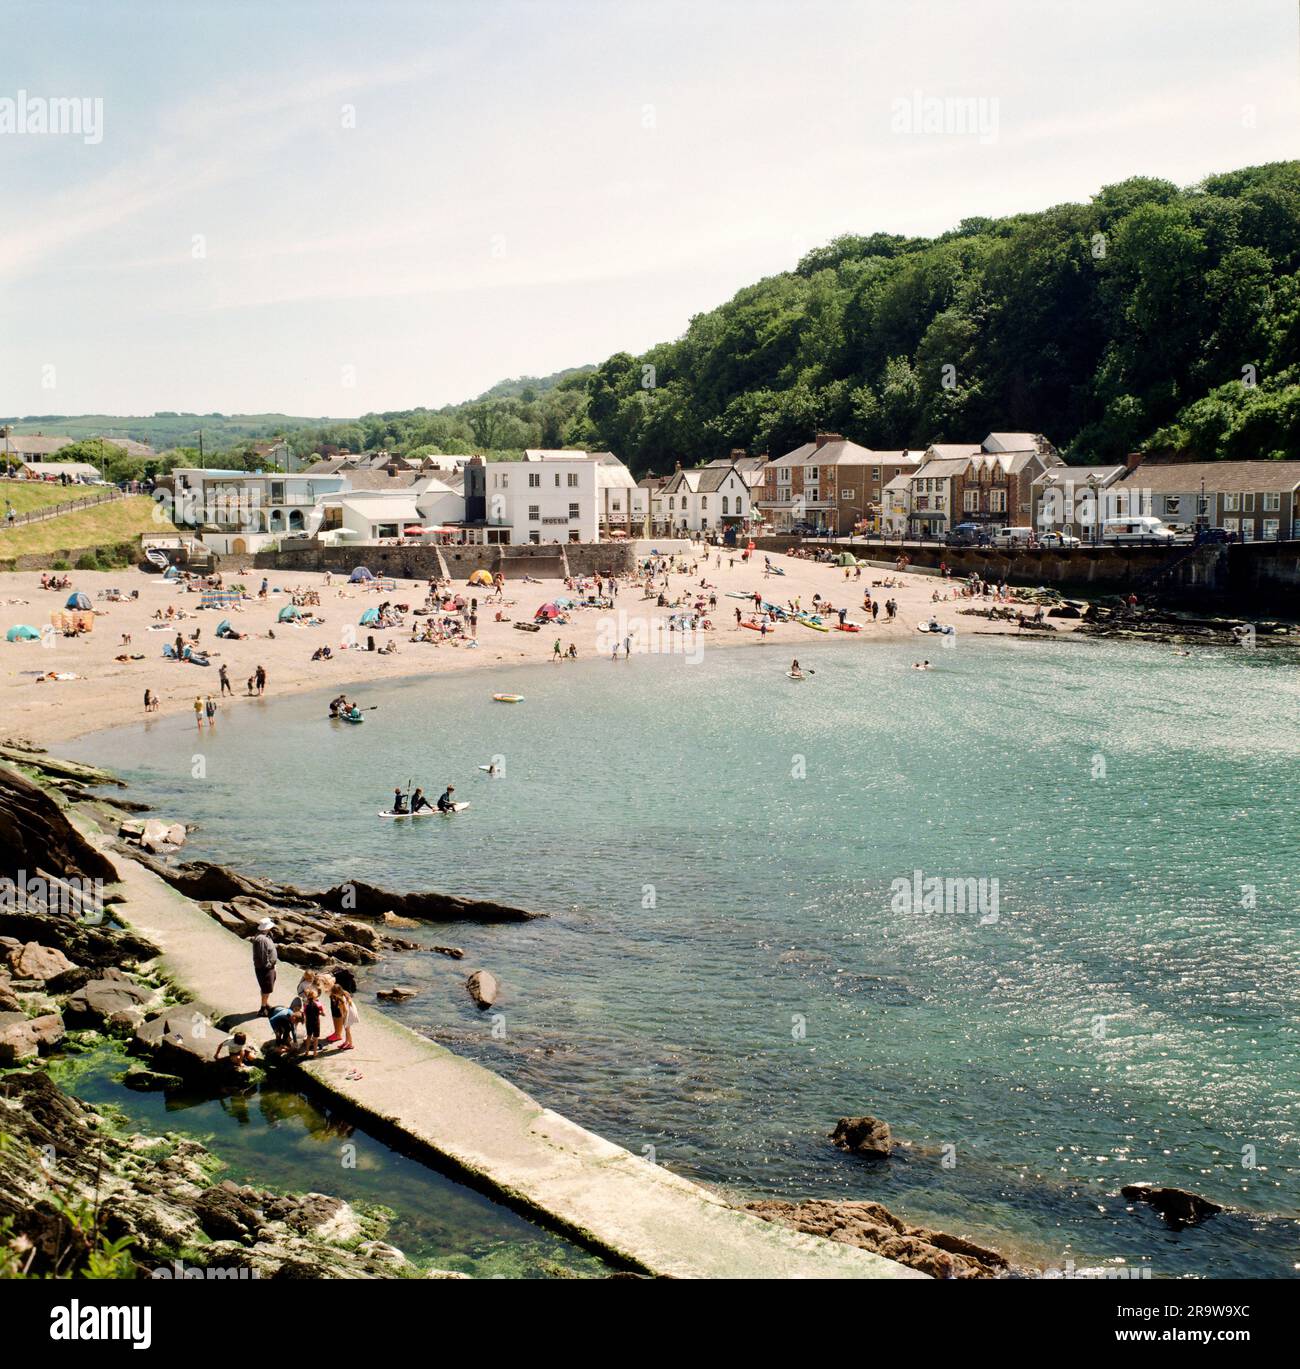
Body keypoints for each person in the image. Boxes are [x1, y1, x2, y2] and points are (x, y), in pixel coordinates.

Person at [252, 918, 277, 1015]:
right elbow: (263, 956)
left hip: (267, 968)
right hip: (265, 969)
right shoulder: (262, 939)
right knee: (266, 988)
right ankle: (263, 1008)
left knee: (266, 987)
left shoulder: (264, 936)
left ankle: (265, 1003)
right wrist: (269, 966)